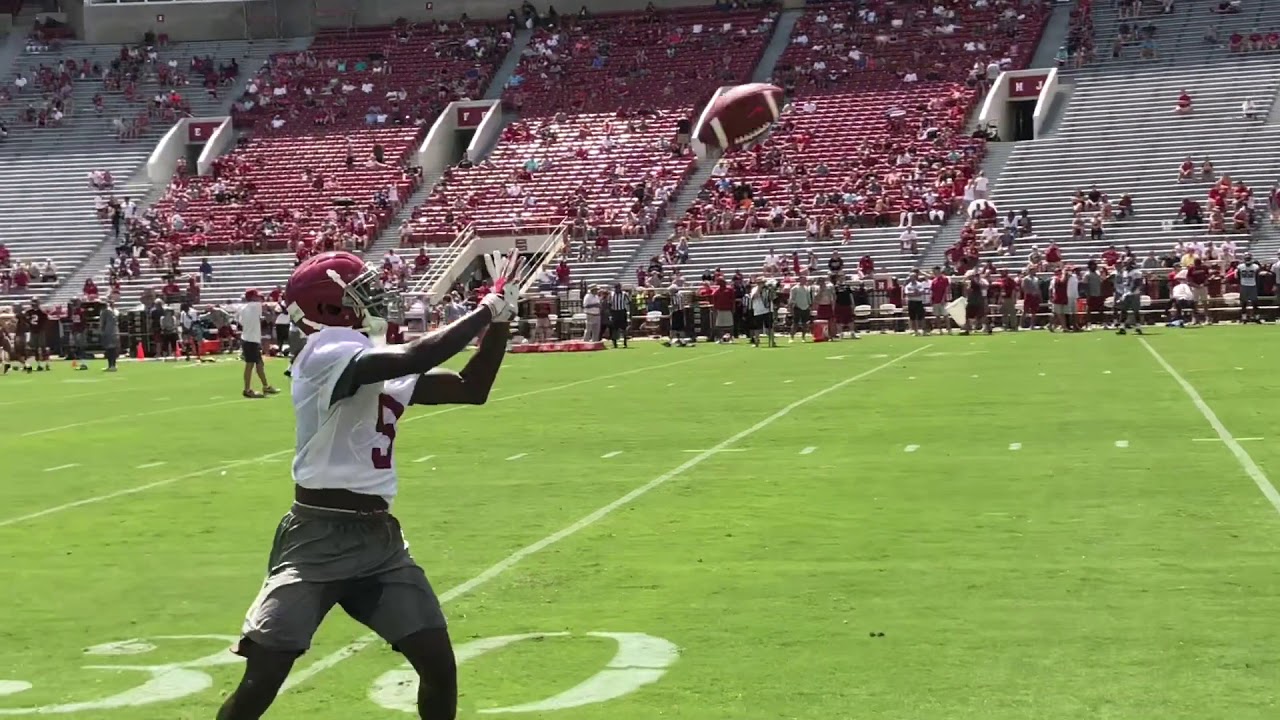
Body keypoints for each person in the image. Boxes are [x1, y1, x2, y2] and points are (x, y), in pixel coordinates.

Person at [216, 249, 522, 720]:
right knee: (263, 678)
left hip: (380, 541)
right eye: (360, 290)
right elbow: (422, 352)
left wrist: (500, 323)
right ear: (329, 306)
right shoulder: (325, 351)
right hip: (317, 537)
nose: (374, 297)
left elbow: (470, 388)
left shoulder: (362, 355)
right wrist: (486, 308)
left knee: (438, 666)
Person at [238, 289, 279, 398]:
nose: (259, 298)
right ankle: (247, 389)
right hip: (251, 340)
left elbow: (241, 322)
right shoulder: (256, 306)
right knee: (250, 365)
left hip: (249, 338)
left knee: (259, 364)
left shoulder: (243, 308)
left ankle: (265, 386)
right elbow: (269, 306)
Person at [1116, 260, 1145, 335]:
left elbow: (1138, 283)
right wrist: (1124, 293)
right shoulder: (1125, 272)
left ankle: (1138, 327)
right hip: (1126, 293)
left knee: (1136, 310)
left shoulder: (1136, 272)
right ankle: (1122, 328)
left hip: (1134, 294)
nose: (1125, 265)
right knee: (1123, 310)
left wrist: (1130, 292)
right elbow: (1124, 283)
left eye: (1126, 264)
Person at [100, 299, 120, 372]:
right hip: (114, 331)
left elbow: (102, 323)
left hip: (108, 332)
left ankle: (111, 365)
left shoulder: (105, 311)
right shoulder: (113, 311)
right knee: (113, 349)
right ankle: (112, 365)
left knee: (110, 350)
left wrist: (101, 331)